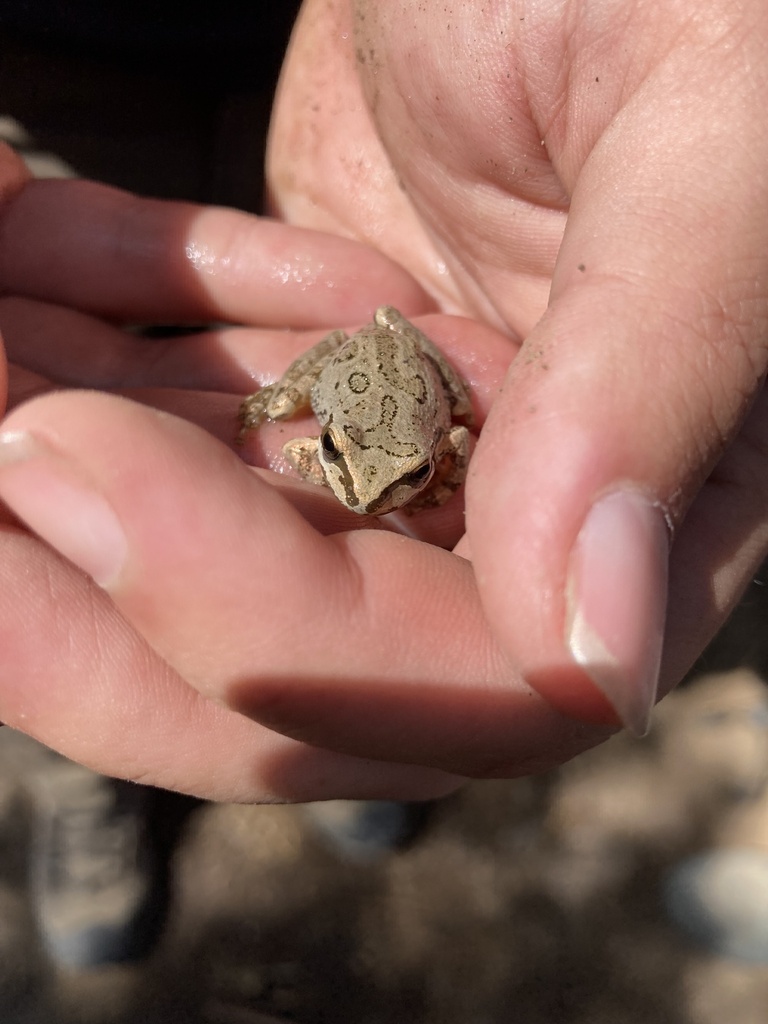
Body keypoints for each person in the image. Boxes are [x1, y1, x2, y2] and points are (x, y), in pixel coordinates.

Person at [0, 0, 766, 806]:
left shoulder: (407, 462)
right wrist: (297, 419)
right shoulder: (328, 450)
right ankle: (81, 785)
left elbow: (459, 447)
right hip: (51, 82)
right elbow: (345, 431)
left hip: (321, 134)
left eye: (390, 482)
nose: (366, 496)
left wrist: (426, 477)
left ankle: (372, 801)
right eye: (340, 467)